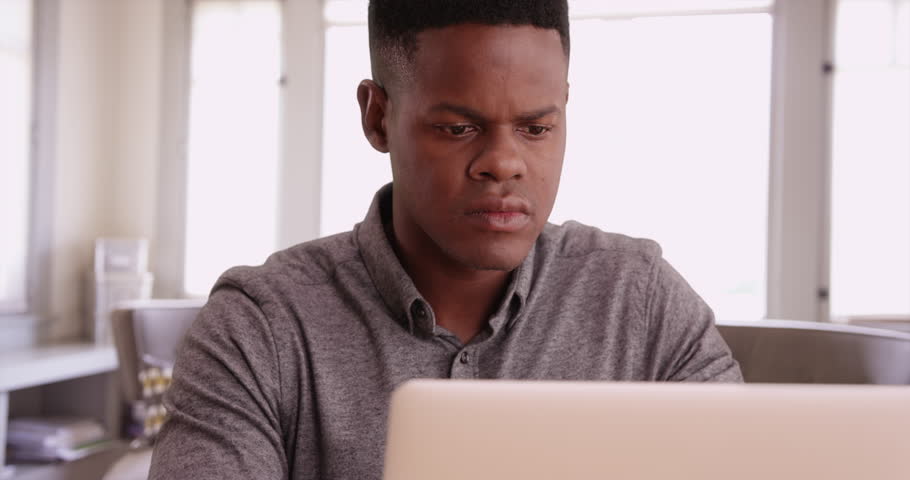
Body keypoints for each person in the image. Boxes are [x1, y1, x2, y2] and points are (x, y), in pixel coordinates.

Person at [149, 1, 742, 478]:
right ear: (377, 117)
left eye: (537, 128)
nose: (504, 164)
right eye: (459, 128)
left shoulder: (640, 303)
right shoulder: (261, 330)